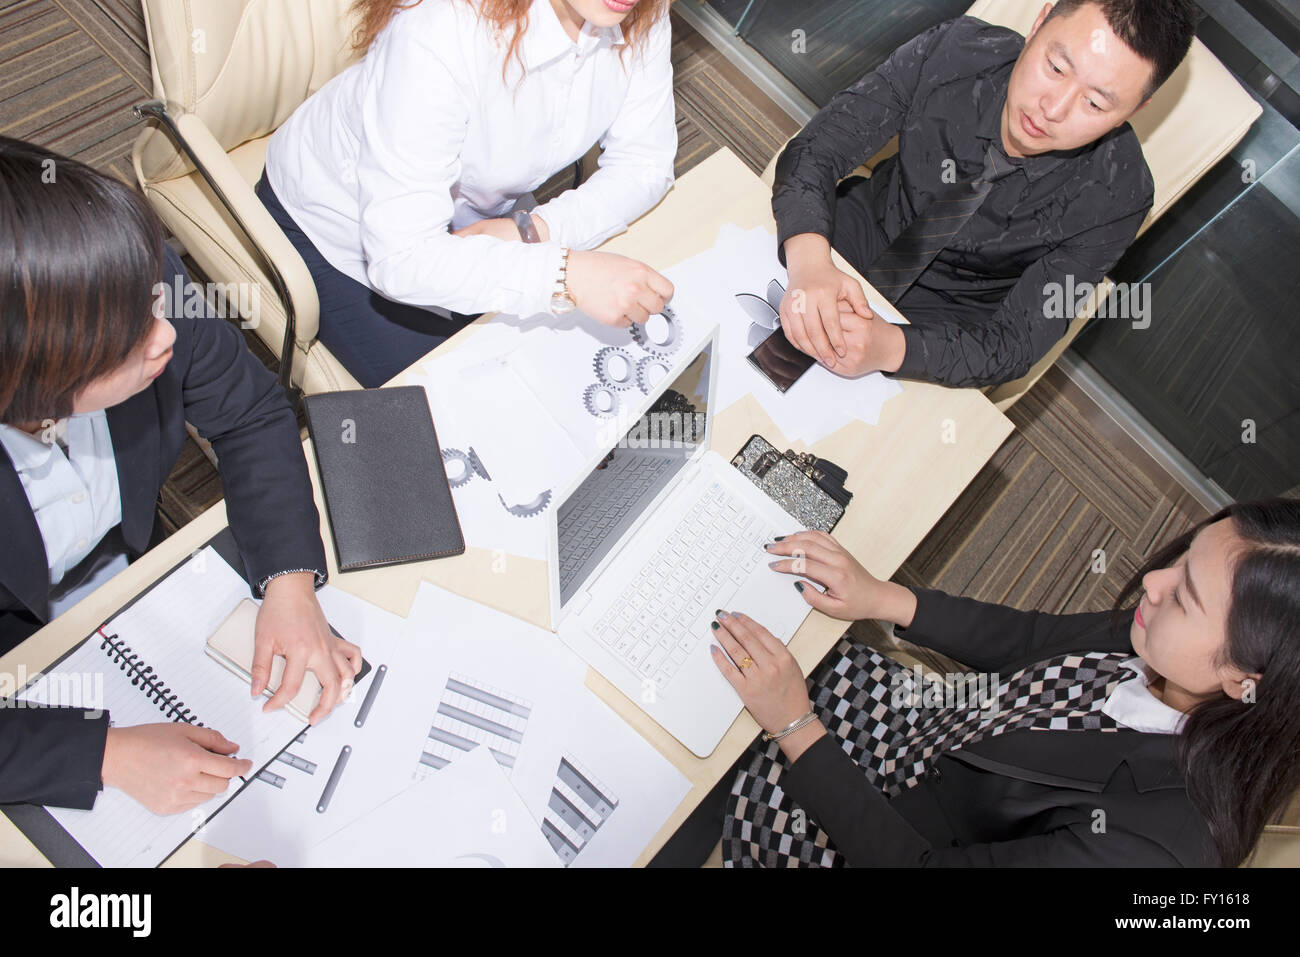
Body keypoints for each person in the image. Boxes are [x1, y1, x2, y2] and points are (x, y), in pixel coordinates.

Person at [0, 137, 362, 815]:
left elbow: (252, 413)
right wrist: (104, 755)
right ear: (29, 375)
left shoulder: (137, 282)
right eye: (126, 337)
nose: (166, 331)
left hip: (141, 585)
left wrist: (288, 582)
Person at [700, 499, 1300, 866]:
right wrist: (881, 596)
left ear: (1243, 676)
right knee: (782, 643)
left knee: (698, 762)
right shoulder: (1168, 640)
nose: (1154, 583)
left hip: (891, 837)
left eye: (1185, 595)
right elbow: (1032, 642)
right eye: (1182, 558)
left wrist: (796, 725)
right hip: (933, 727)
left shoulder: (1147, 849)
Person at [772, 0, 1196, 388]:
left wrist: (890, 348)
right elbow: (819, 148)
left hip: (951, 327)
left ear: (1135, 111)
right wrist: (810, 263)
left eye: (1096, 105)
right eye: (1056, 67)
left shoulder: (1118, 197)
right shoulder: (956, 52)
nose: (1052, 109)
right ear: (1039, 22)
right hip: (856, 233)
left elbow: (1020, 339)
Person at [258, 0, 679, 388]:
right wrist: (564, 274)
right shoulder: (439, 30)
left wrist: (532, 230)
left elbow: (645, 164)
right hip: (339, 225)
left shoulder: (638, 9)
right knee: (464, 406)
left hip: (478, 213)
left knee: (562, 371)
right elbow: (402, 261)